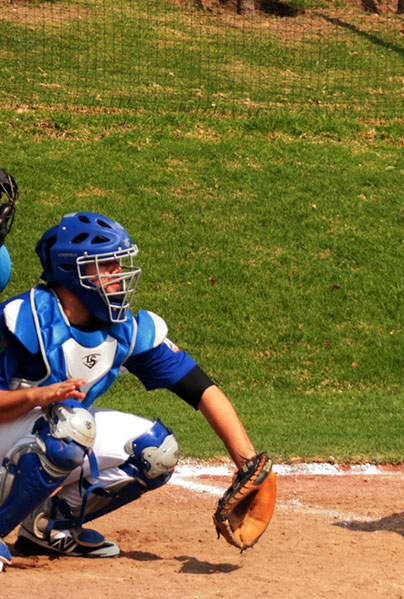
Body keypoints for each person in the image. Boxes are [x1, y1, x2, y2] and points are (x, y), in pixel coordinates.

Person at [0, 211, 263, 570]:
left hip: (37, 438)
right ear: (71, 271)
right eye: (105, 265)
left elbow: (200, 388)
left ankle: (47, 527)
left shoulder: (122, 329)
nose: (118, 275)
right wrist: (37, 396)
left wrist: (247, 462)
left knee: (156, 452)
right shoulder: (24, 320)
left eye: (118, 264)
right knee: (71, 428)